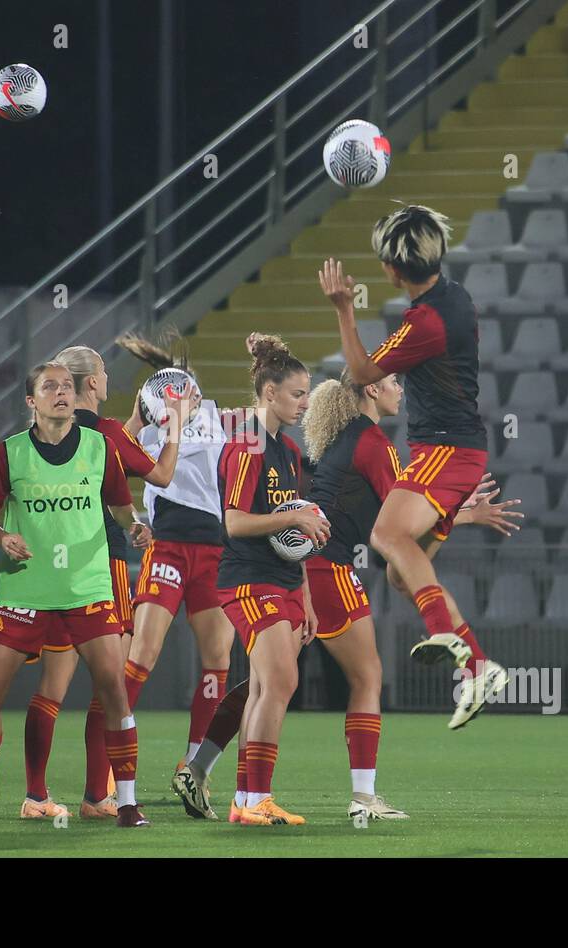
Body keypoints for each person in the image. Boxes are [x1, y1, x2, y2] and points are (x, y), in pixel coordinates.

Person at [176, 376, 521, 822]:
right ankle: (361, 798)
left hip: (302, 566)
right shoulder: (373, 443)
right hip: (326, 566)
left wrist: (459, 512)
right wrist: (459, 512)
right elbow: (398, 530)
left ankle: (201, 768)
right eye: (393, 381)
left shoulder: (345, 436)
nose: (401, 388)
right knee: (366, 676)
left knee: (266, 682)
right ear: (370, 392)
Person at [320, 204, 508, 730]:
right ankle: (477, 664)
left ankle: (441, 633)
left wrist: (343, 308)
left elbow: (359, 372)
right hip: (453, 449)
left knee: (386, 535)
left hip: (446, 449)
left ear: (392, 270)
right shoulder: (456, 298)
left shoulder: (426, 320)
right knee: (404, 574)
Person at [0, 361, 150, 829]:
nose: (61, 393)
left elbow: (121, 508)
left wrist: (136, 526)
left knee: (114, 695)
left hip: (86, 589)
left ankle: (125, 801)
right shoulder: (10, 453)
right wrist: (2, 537)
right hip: (25, 589)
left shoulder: (101, 447)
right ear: (31, 400)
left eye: (67, 386)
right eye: (50, 387)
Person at [16, 344, 188, 821]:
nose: (109, 378)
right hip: (100, 565)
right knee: (109, 687)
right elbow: (164, 475)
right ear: (92, 383)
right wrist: (171, 426)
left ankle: (35, 796)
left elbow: (100, 456)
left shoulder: (48, 431)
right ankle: (99, 796)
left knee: (50, 687)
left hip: (52, 568)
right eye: (105, 373)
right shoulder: (108, 432)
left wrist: (133, 423)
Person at [116, 335, 239, 787]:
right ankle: (111, 766)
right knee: (142, 654)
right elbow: (112, 459)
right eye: (175, 391)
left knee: (218, 657)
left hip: (214, 548)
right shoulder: (149, 428)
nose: (185, 395)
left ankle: (192, 767)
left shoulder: (221, 419)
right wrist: (136, 415)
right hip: (167, 546)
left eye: (186, 388)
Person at [213, 334, 325, 827]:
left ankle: (247, 800)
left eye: (306, 393)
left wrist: (307, 596)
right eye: (297, 393)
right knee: (280, 681)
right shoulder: (247, 444)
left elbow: (293, 532)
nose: (304, 402)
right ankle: (253, 797)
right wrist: (293, 520)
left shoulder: (290, 452)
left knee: (264, 688)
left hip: (281, 580)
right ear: (269, 393)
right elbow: (235, 522)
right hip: (248, 578)